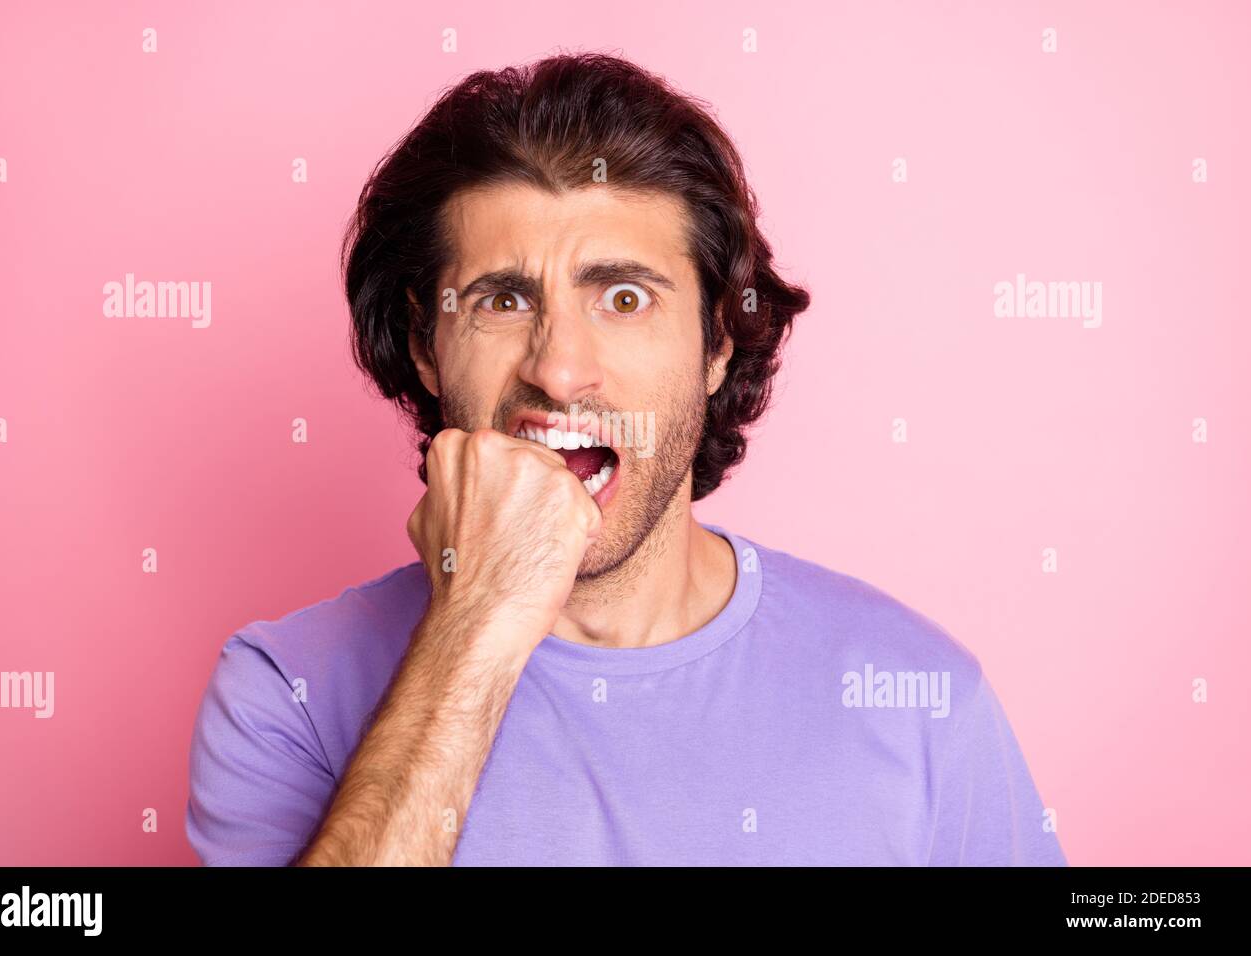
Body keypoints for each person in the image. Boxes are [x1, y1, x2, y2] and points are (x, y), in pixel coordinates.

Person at [185, 52, 1066, 867]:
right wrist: (478, 625)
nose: (559, 369)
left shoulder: (916, 697)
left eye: (624, 297)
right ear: (425, 346)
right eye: (501, 300)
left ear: (717, 341)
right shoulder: (285, 694)